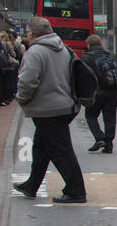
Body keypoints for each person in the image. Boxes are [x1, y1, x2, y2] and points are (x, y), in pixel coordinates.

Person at [12, 17, 86, 203]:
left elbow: (28, 81)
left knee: (60, 150)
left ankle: (76, 190)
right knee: (41, 147)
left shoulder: (35, 52)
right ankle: (32, 185)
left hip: (47, 109)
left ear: (30, 33)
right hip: (66, 105)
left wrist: (21, 99)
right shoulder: (64, 49)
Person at [81, 34, 117, 153]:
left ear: (89, 44)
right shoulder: (112, 56)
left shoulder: (86, 58)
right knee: (110, 118)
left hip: (96, 93)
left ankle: (99, 137)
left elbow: (82, 77)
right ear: (100, 44)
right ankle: (109, 145)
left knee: (90, 116)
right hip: (113, 92)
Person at [0, 30, 20, 105]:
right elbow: (13, 54)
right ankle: (7, 97)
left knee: (2, 83)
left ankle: (2, 98)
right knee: (8, 82)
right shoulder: (7, 43)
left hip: (0, 66)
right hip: (8, 66)